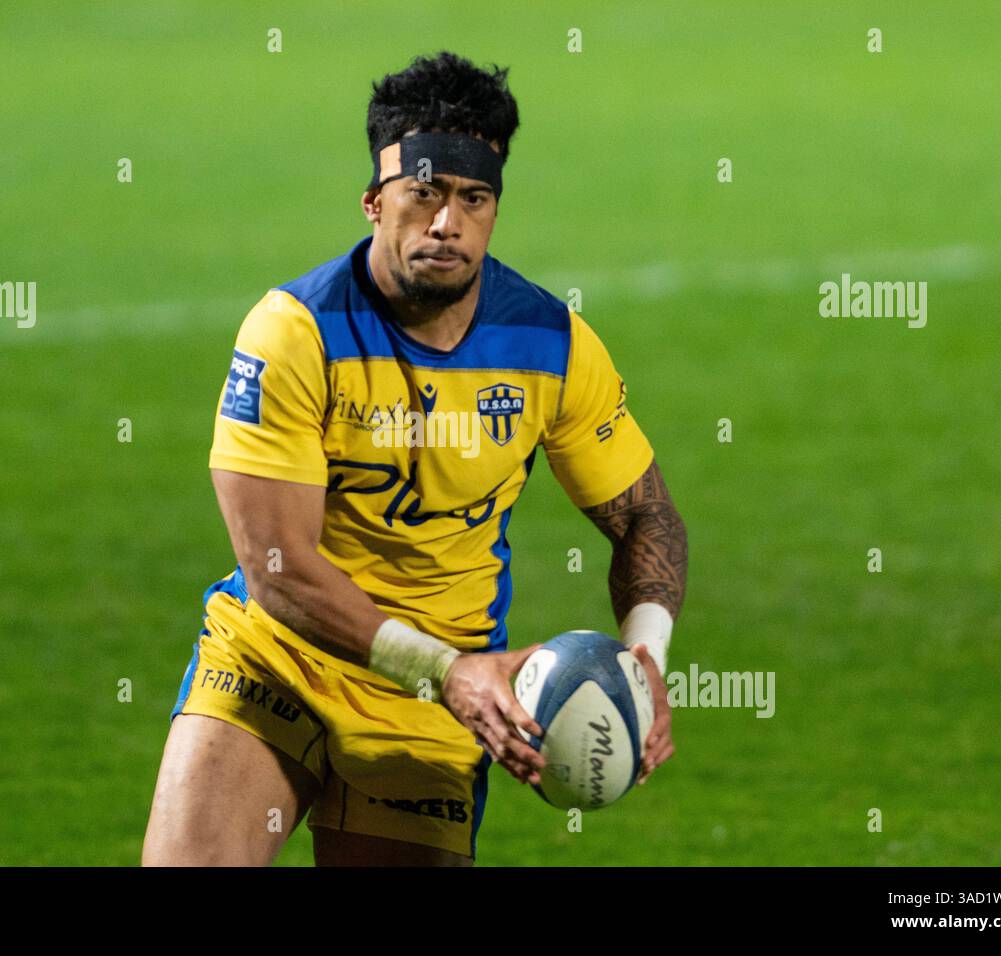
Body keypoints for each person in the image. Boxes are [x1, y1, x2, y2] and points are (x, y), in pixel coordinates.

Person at [143, 50, 687, 867]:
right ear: (373, 202)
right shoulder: (295, 333)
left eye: (473, 199)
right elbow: (277, 569)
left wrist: (645, 656)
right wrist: (451, 671)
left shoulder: (551, 345)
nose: (447, 222)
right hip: (279, 663)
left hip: (436, 704)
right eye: (423, 194)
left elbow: (644, 511)